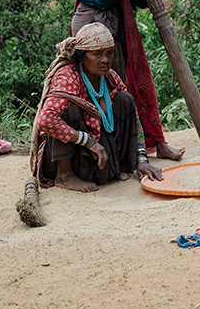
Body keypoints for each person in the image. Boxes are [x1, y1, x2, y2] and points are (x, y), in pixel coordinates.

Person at [71, 0, 184, 161]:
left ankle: (149, 144)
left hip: (116, 28)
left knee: (127, 85)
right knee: (103, 88)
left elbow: (135, 1)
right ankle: (111, 150)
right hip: (93, 29)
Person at [30, 22, 163, 193]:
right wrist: (89, 142)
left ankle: (117, 167)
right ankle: (65, 175)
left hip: (98, 151)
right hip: (73, 152)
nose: (106, 60)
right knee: (69, 109)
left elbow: (134, 119)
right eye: (97, 54)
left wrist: (142, 159)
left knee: (125, 100)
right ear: (81, 56)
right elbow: (46, 120)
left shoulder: (110, 77)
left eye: (109, 53)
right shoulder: (68, 76)